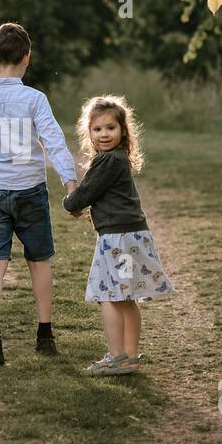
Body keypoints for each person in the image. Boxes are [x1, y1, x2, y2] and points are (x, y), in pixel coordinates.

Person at [0, 22, 78, 366]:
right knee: (38, 260)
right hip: (29, 191)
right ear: (28, 58)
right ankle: (44, 334)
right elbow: (54, 141)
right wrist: (70, 184)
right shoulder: (34, 99)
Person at [62, 93, 175, 375]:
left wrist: (71, 203)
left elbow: (84, 193)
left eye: (110, 128)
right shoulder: (118, 159)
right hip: (132, 234)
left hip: (118, 239)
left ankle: (116, 356)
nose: (103, 134)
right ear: (89, 132)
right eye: (97, 129)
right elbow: (105, 196)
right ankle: (130, 356)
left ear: (123, 131)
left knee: (109, 295)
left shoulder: (107, 162)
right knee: (126, 298)